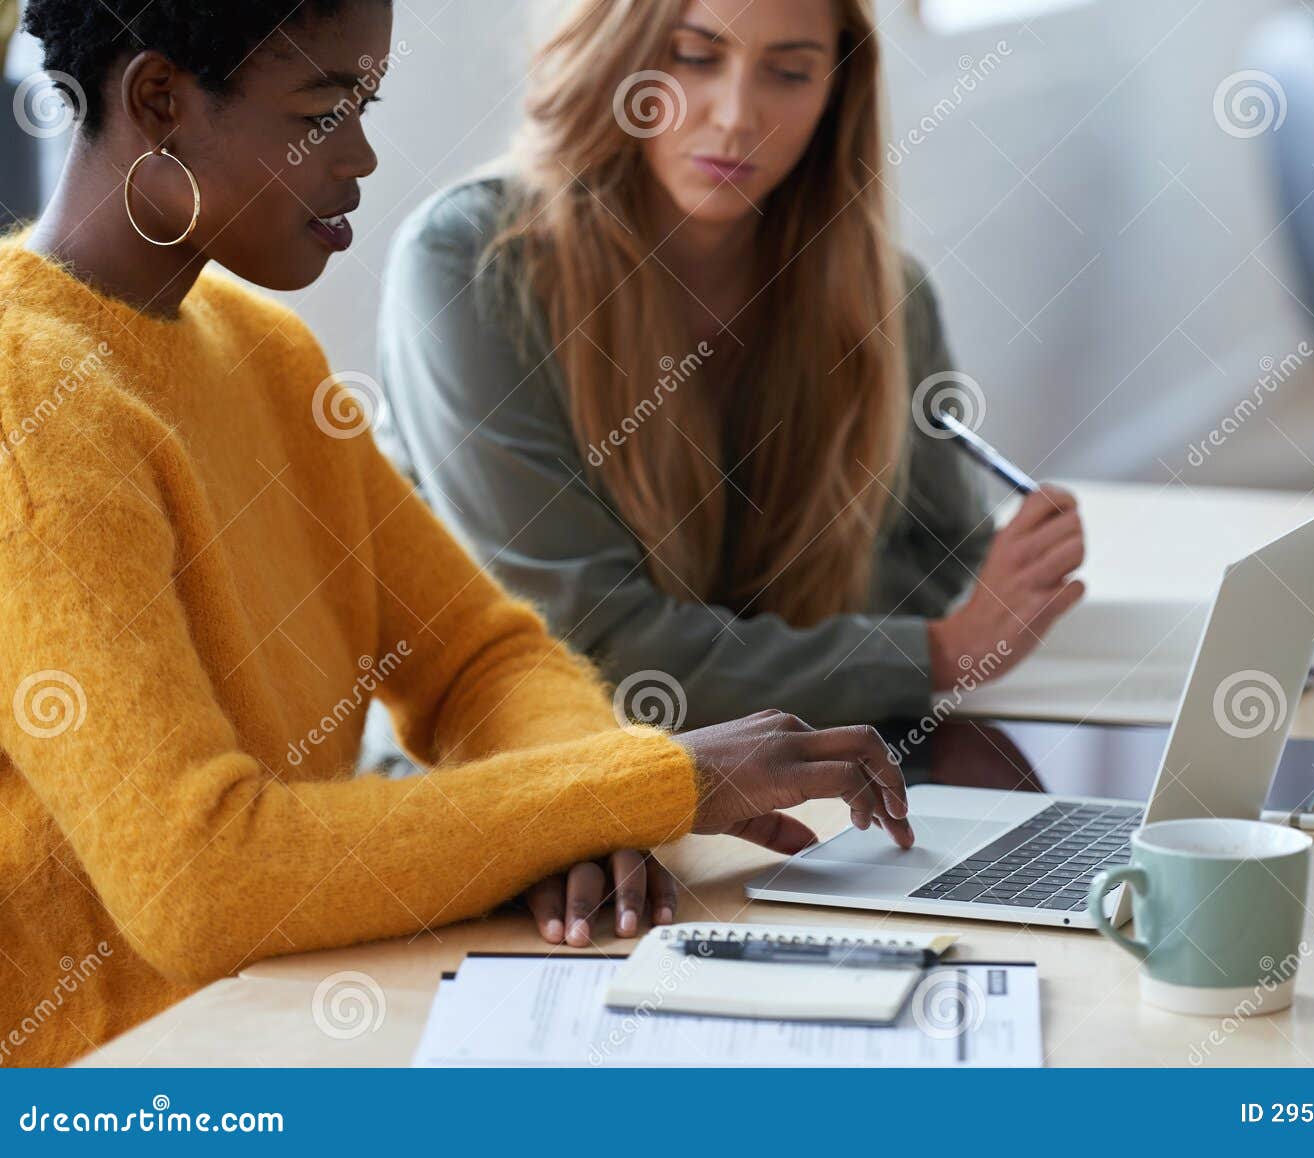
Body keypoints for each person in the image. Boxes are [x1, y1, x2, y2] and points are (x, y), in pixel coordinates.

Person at [0, 0, 911, 1069]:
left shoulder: (263, 352)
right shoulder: (33, 408)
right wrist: (649, 784)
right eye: (324, 108)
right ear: (160, 100)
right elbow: (200, 883)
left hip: (300, 1016)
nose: (364, 152)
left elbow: (482, 654)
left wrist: (575, 818)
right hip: (120, 1074)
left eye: (365, 102)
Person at [377, 0, 1088, 735]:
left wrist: (1007, 580)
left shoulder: (885, 298)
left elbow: (935, 559)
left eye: (788, 72)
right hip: (521, 794)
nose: (737, 117)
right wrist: (938, 653)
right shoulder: (467, 266)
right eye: (694, 57)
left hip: (795, 774)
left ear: (837, 90)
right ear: (619, 55)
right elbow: (586, 650)